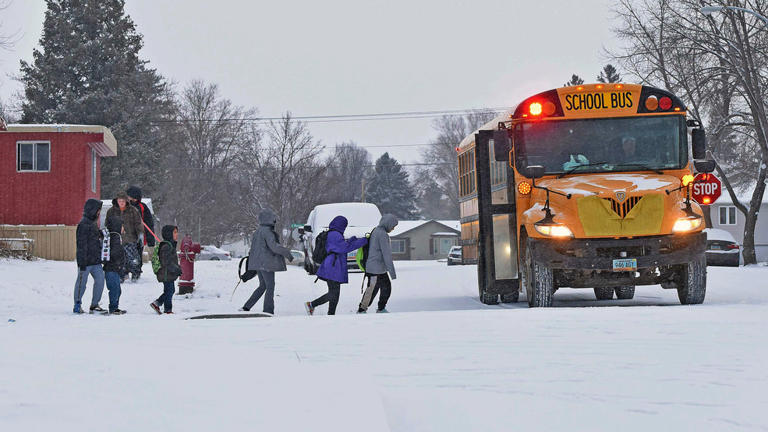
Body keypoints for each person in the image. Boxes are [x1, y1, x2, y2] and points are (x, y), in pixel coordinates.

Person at [305, 216, 368, 316]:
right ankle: (312, 305)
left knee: (334, 293)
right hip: (333, 267)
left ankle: (331, 314)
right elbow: (344, 248)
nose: (345, 228)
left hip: (332, 266)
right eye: (344, 225)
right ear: (341, 225)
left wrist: (351, 240)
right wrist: (363, 241)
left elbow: (340, 245)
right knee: (334, 293)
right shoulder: (335, 234)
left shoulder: (333, 233)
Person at [240, 209, 293, 315]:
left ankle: (247, 306)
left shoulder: (258, 231)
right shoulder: (267, 232)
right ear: (269, 219)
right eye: (274, 219)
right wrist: (287, 253)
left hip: (258, 263)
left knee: (263, 286)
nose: (275, 221)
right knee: (270, 286)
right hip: (266, 263)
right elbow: (274, 247)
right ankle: (268, 310)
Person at [357, 214, 398, 314]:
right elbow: (386, 254)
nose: (393, 228)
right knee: (372, 290)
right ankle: (362, 309)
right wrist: (392, 272)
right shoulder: (382, 234)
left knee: (385, 288)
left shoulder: (376, 230)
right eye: (393, 226)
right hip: (375, 269)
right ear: (388, 224)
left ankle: (380, 308)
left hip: (379, 268)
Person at [73, 199, 105, 314]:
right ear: (92, 210)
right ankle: (77, 304)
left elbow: (95, 238)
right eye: (98, 210)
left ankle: (95, 305)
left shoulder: (93, 223)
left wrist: (100, 234)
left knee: (100, 281)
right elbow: (81, 245)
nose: (99, 213)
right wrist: (81, 262)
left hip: (96, 260)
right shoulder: (83, 224)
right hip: (85, 262)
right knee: (81, 283)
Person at [106, 191, 143, 282]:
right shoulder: (111, 211)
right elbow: (107, 224)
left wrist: (140, 235)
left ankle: (135, 273)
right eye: (120, 200)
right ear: (117, 201)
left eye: (123, 200)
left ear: (126, 201)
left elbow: (138, 224)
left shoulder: (133, 211)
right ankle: (121, 274)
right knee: (119, 259)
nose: (121, 202)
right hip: (117, 240)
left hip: (130, 238)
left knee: (133, 258)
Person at [150, 225, 182, 315]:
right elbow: (166, 262)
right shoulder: (166, 246)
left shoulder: (170, 245)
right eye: (174, 232)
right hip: (166, 273)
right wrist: (176, 269)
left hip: (168, 273)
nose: (177, 234)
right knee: (169, 291)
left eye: (177, 232)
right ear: (169, 234)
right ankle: (168, 310)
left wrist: (177, 268)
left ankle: (157, 303)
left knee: (169, 291)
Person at [126, 185, 156, 280]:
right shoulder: (124, 206)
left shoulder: (142, 207)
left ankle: (136, 272)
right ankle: (124, 272)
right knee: (124, 254)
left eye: (129, 196)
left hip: (139, 236)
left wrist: (151, 239)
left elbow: (149, 223)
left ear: (134, 197)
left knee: (137, 254)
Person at [102, 215, 126, 314]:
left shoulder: (115, 236)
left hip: (114, 269)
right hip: (111, 269)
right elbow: (116, 253)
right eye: (122, 226)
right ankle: (113, 308)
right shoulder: (114, 237)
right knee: (114, 289)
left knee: (117, 290)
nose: (123, 228)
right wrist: (119, 263)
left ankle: (115, 306)